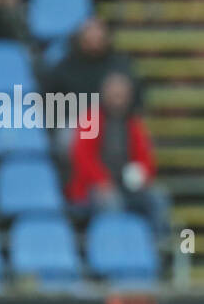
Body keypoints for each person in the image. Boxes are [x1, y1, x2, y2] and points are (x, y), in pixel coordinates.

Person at [68, 72, 170, 238]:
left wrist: (142, 177)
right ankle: (116, 250)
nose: (118, 100)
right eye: (114, 95)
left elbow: (146, 158)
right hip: (94, 188)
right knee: (111, 202)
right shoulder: (91, 119)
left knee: (158, 197)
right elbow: (82, 157)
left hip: (128, 186)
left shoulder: (134, 123)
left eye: (122, 95)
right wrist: (102, 182)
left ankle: (156, 249)